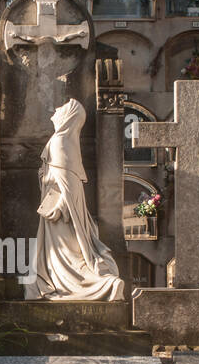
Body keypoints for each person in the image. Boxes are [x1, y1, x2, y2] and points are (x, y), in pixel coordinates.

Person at [26, 99, 125, 301]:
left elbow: (69, 185)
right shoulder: (63, 140)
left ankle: (98, 285)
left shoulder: (60, 142)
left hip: (61, 214)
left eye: (61, 108)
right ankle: (94, 284)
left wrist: (61, 206)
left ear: (68, 116)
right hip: (59, 210)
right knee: (61, 255)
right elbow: (65, 181)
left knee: (65, 256)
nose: (55, 109)